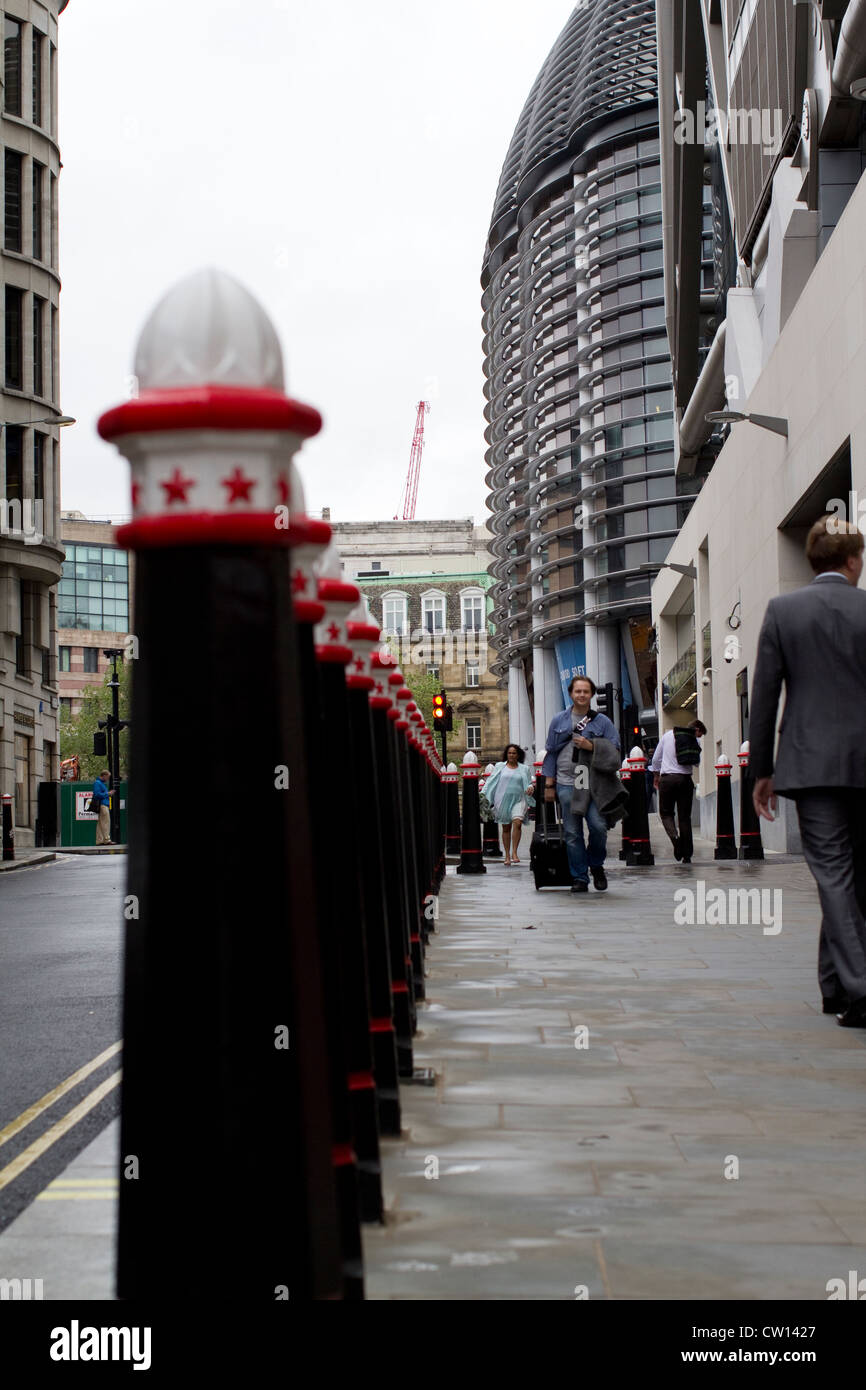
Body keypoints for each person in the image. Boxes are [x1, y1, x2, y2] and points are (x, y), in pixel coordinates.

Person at [749, 514, 866, 1027]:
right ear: (853, 560)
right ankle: (857, 986)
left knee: (835, 876)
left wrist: (762, 771)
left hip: (811, 765)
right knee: (850, 878)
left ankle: (841, 987)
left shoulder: (783, 610)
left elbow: (764, 693)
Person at [542, 675, 621, 892]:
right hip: (566, 783)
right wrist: (549, 784)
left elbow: (615, 752)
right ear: (570, 693)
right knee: (572, 833)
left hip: (592, 783)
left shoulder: (602, 722)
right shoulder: (559, 720)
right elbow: (551, 752)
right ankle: (579, 877)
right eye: (578, 691)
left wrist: (591, 745)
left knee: (598, 826)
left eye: (586, 691)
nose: (582, 695)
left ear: (591, 695)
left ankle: (596, 865)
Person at [650, 719, 706, 863]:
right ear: (697, 729)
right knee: (684, 817)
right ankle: (687, 855)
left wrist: (656, 775)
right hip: (685, 780)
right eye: (700, 735)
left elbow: (655, 759)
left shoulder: (667, 735)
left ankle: (675, 840)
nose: (699, 738)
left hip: (667, 780)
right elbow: (697, 763)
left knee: (666, 813)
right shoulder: (694, 740)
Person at [482, 744, 535, 866]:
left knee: (517, 822)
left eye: (514, 753)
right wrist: (483, 794)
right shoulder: (500, 766)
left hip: (519, 799)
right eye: (509, 753)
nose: (511, 755)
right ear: (507, 754)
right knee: (506, 827)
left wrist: (530, 788)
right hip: (502, 799)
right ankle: (507, 855)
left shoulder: (524, 769)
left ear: (518, 755)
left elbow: (528, 783)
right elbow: (491, 781)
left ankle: (514, 852)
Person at [92, 768, 113, 846]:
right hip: (103, 804)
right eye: (107, 777)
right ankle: (107, 840)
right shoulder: (98, 783)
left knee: (100, 824)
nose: (108, 779)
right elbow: (97, 794)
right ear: (103, 775)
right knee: (106, 822)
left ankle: (99, 840)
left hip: (102, 804)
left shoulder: (99, 783)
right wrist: (108, 793)